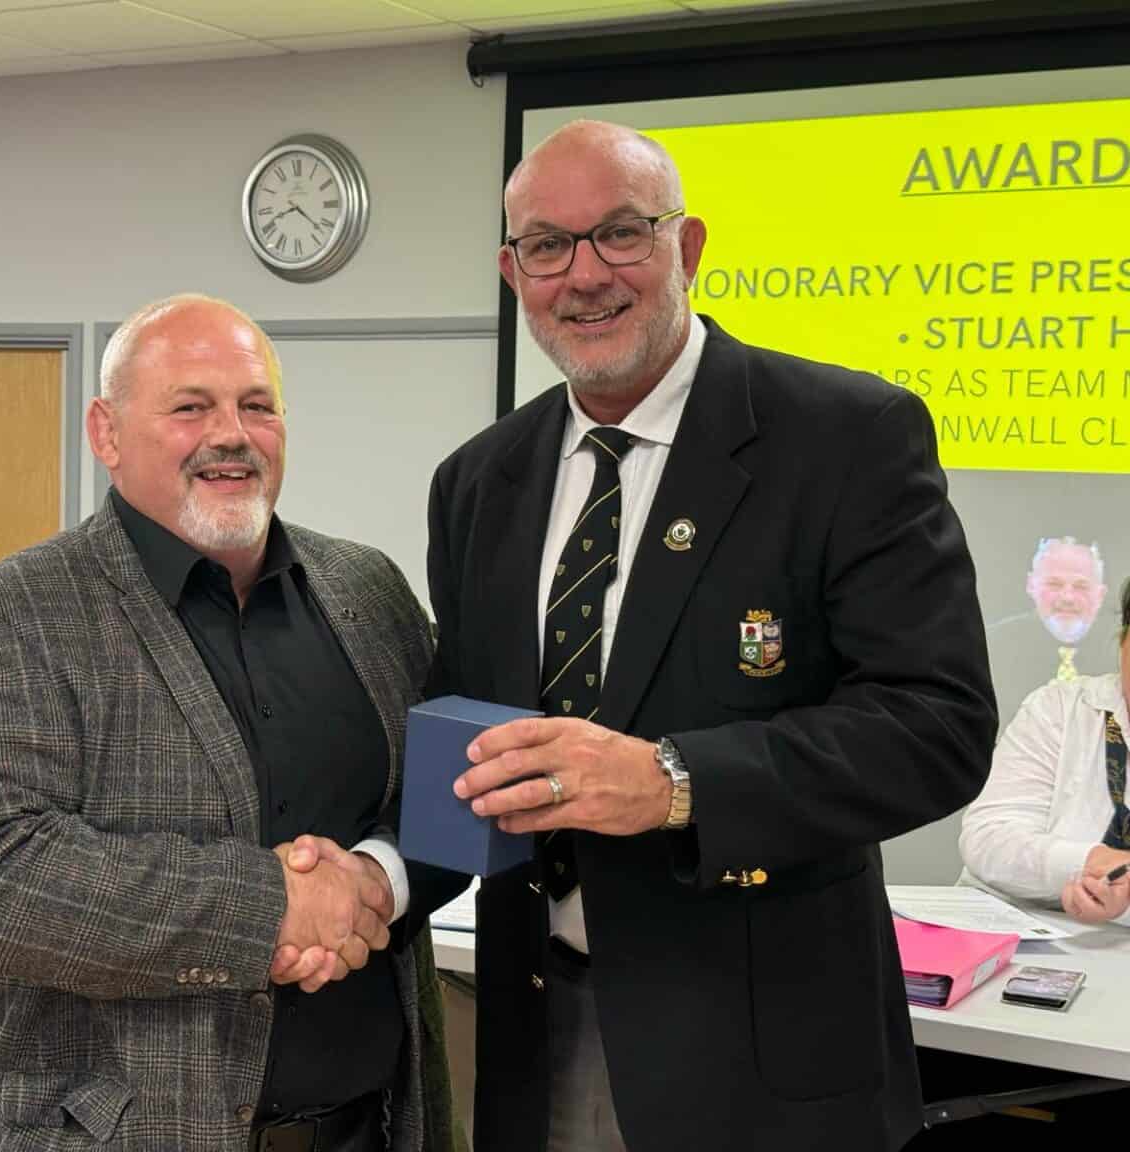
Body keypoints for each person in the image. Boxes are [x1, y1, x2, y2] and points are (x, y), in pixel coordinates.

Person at [423, 120, 998, 1152]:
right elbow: (466, 739)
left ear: (686, 247)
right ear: (515, 275)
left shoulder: (845, 436)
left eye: (620, 233)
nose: (584, 275)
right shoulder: (477, 481)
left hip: (761, 1063)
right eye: (548, 246)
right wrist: (355, 876)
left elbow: (937, 727)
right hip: (534, 1033)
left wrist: (675, 782)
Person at [0, 294, 456, 1152]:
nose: (231, 434)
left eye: (257, 406)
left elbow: (448, 790)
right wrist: (274, 907)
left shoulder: (368, 591)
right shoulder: (5, 618)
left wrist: (377, 881)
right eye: (190, 406)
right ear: (107, 432)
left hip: (370, 1125)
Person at [961, 577, 1130, 925]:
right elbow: (988, 839)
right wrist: (1092, 862)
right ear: (1122, 639)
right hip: (1011, 929)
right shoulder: (1061, 708)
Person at [1025, 536, 1107, 681]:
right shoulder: (995, 644)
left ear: (1100, 595)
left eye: (1081, 586)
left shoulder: (1122, 647)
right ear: (1031, 586)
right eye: (1054, 584)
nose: (1067, 598)